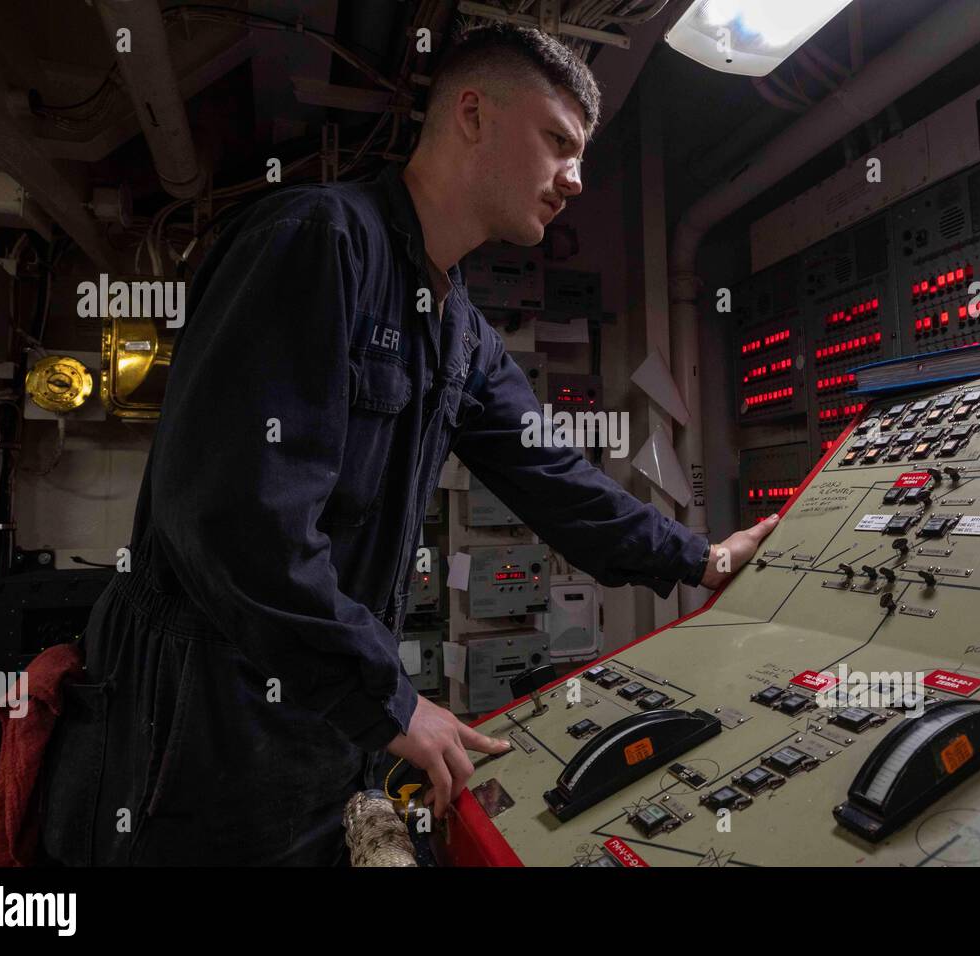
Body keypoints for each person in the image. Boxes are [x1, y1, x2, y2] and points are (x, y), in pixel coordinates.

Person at [39, 22, 778, 866]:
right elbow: (235, 517)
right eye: (558, 142)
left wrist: (701, 558)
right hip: (195, 726)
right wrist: (389, 699)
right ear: (472, 114)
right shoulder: (318, 241)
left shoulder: (458, 326)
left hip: (314, 718)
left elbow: (550, 473)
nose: (575, 179)